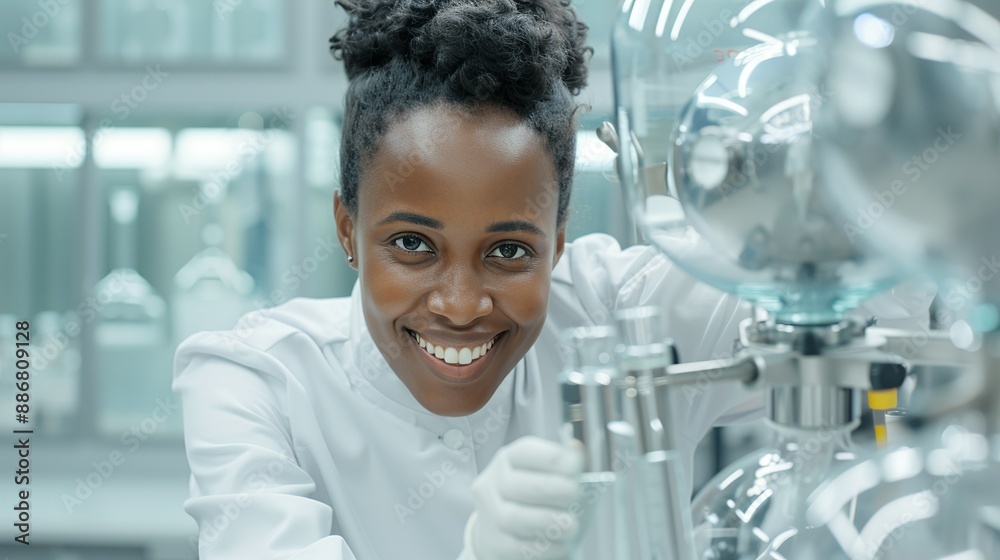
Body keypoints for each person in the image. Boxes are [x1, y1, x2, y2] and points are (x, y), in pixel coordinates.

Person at [172, 1, 926, 559]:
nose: (462, 305)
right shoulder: (254, 378)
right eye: (412, 244)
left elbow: (889, 303)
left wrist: (807, 148)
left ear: (559, 241)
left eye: (509, 252)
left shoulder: (622, 309)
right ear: (345, 229)